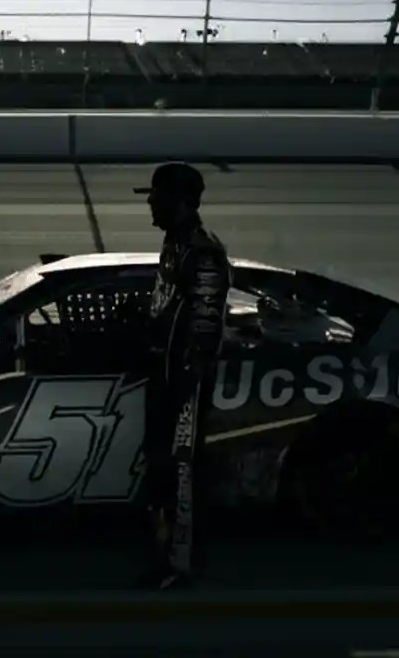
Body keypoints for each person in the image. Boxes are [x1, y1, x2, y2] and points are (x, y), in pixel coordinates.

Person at [133, 162, 231, 590]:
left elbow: (204, 331)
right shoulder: (174, 245)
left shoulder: (202, 252)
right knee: (162, 476)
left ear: (178, 201)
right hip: (165, 384)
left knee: (182, 475)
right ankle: (164, 555)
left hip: (184, 388)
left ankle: (182, 565)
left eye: (156, 195)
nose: (150, 203)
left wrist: (182, 390)